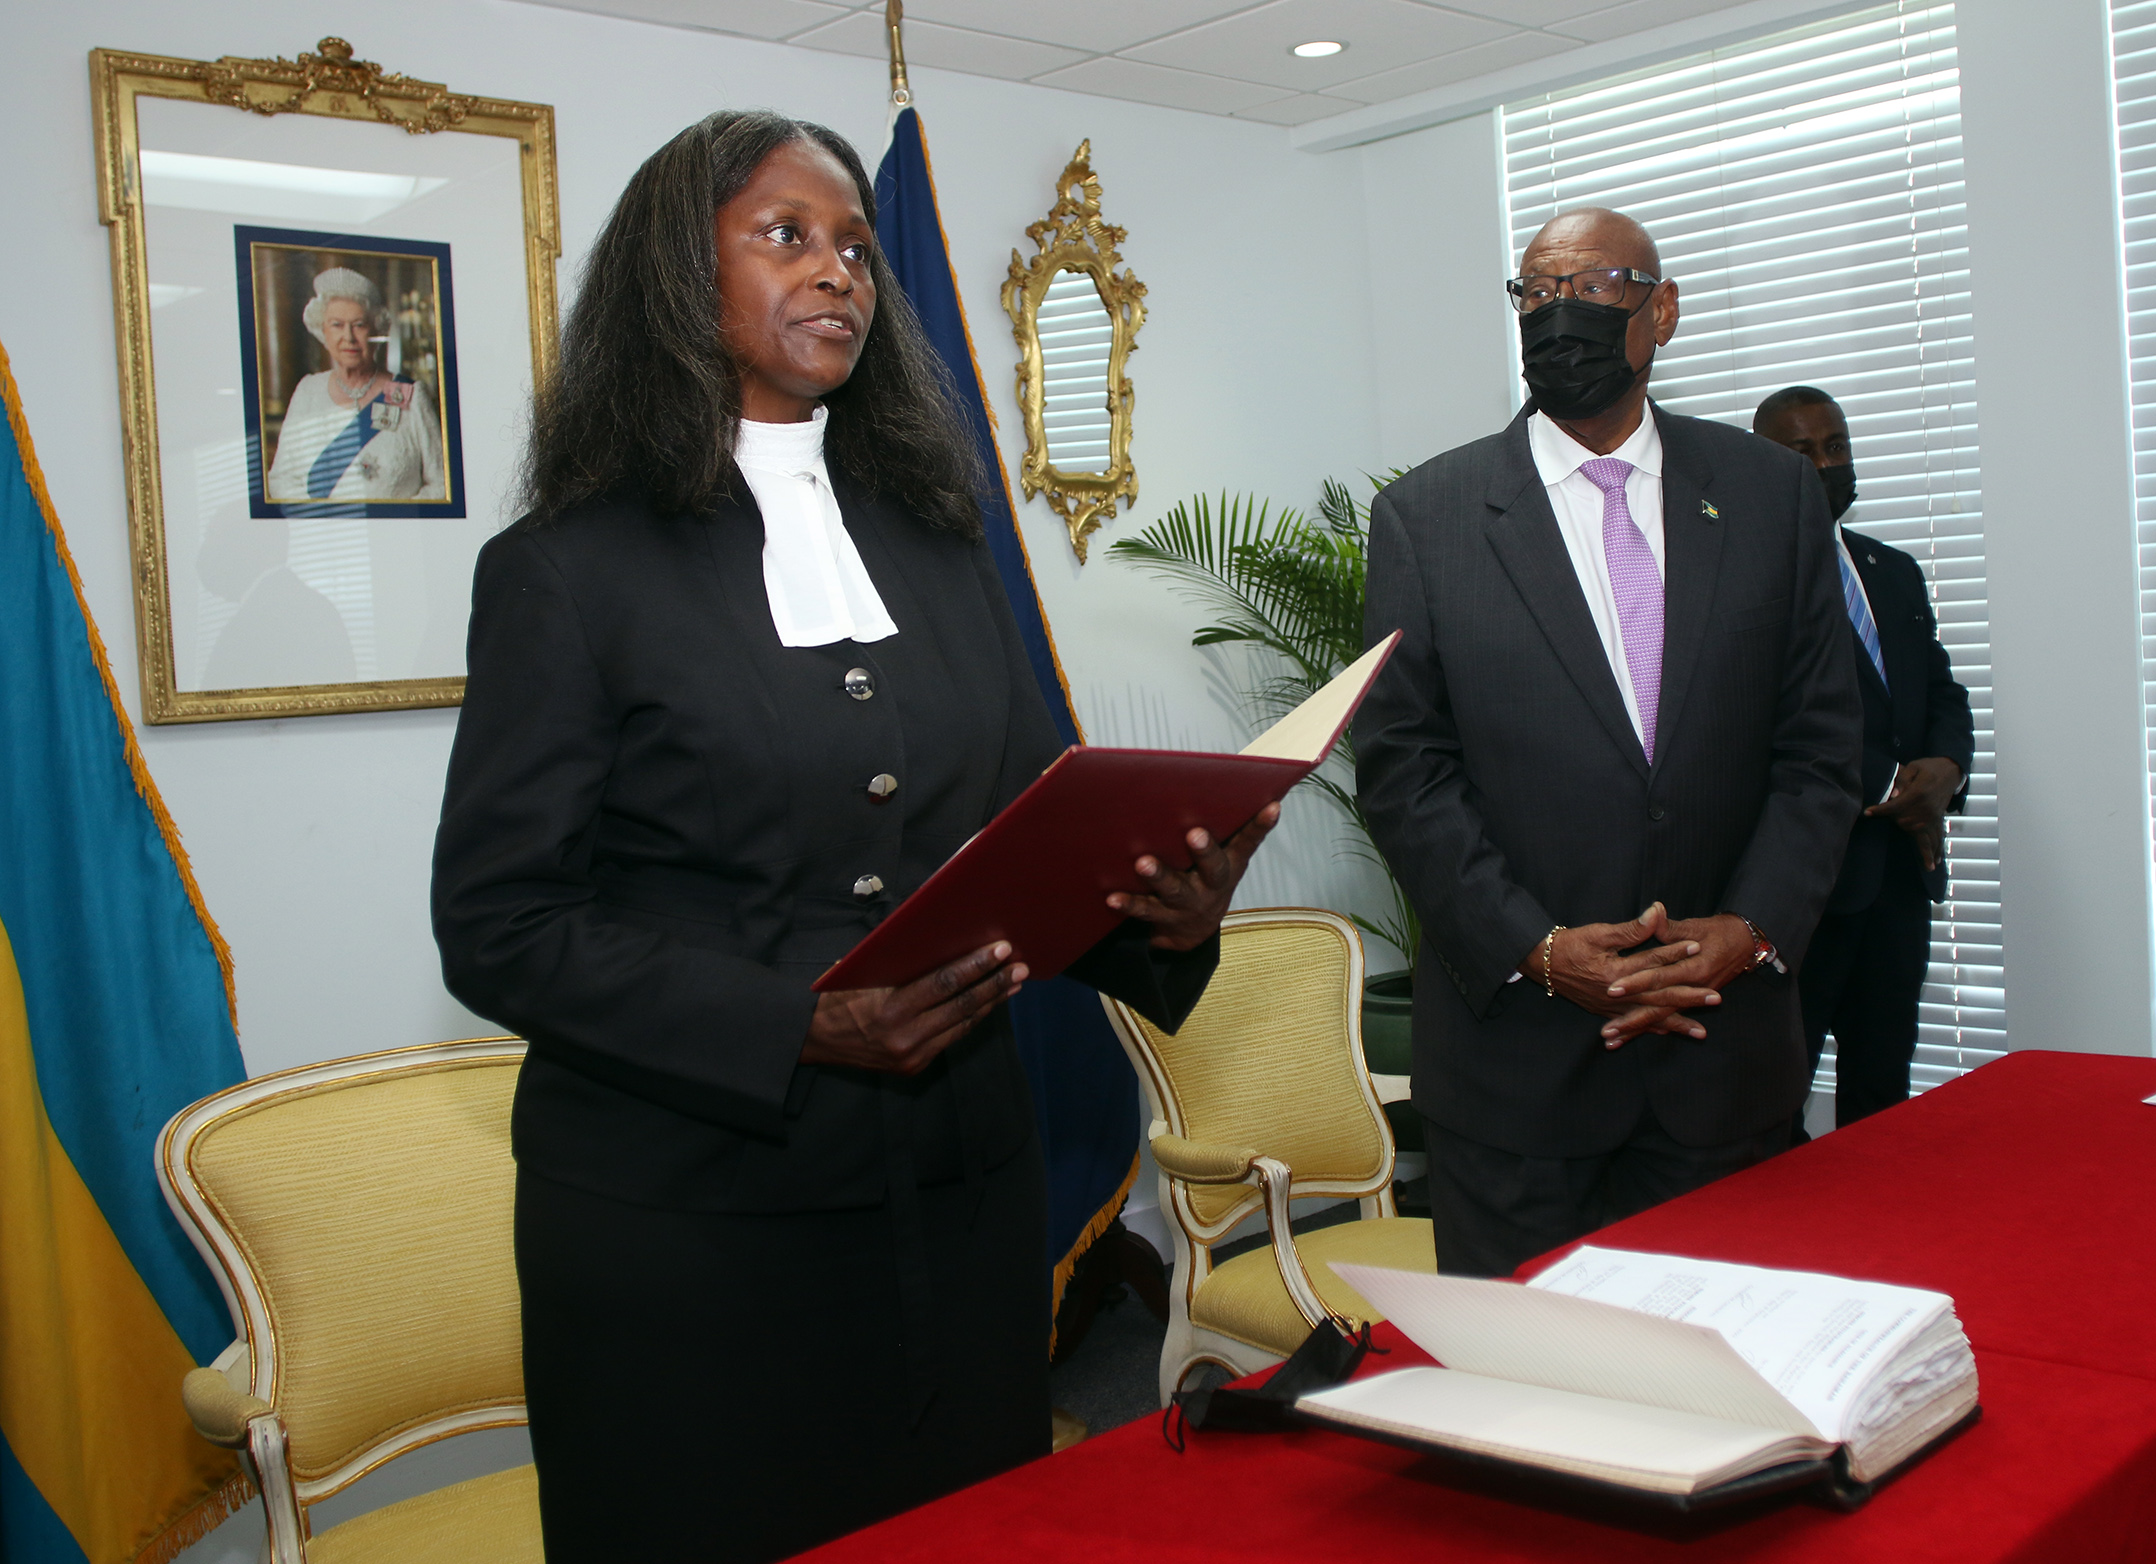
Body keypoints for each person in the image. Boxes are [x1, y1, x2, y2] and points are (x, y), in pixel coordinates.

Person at [429, 112, 1273, 1563]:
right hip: (690, 1237)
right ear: (675, 278)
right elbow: (501, 923)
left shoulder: (936, 550)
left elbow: (1027, 829)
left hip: (956, 1205)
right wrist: (798, 1024)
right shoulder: (566, 573)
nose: (840, 275)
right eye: (788, 237)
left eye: (860, 250)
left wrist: (1166, 912)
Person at [1354, 207, 1862, 1279]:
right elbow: (1405, 774)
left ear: (1659, 311)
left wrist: (1748, 927)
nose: (1556, 317)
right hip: (1516, 1079)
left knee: (1727, 1398)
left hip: (1719, 1060)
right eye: (1533, 294)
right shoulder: (1427, 518)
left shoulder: (1768, 495)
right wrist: (1538, 948)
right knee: (1523, 1412)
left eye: (1590, 289)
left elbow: (1819, 748)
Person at [1753, 386, 1973, 1133]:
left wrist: (1946, 767)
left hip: (1899, 889)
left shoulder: (1893, 569)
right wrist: (1894, 785)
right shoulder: (1746, 586)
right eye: (1802, 452)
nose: (1826, 465)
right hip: (1808, 892)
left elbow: (1938, 688)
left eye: (1836, 446)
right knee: (1775, 1111)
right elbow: (1767, 723)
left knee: (1885, 1103)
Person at [263, 267, 445, 503]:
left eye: (359, 325)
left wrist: (400, 520)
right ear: (323, 331)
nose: (348, 337)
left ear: (376, 330)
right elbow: (280, 479)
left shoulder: (410, 395)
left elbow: (441, 482)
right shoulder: (307, 391)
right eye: (337, 325)